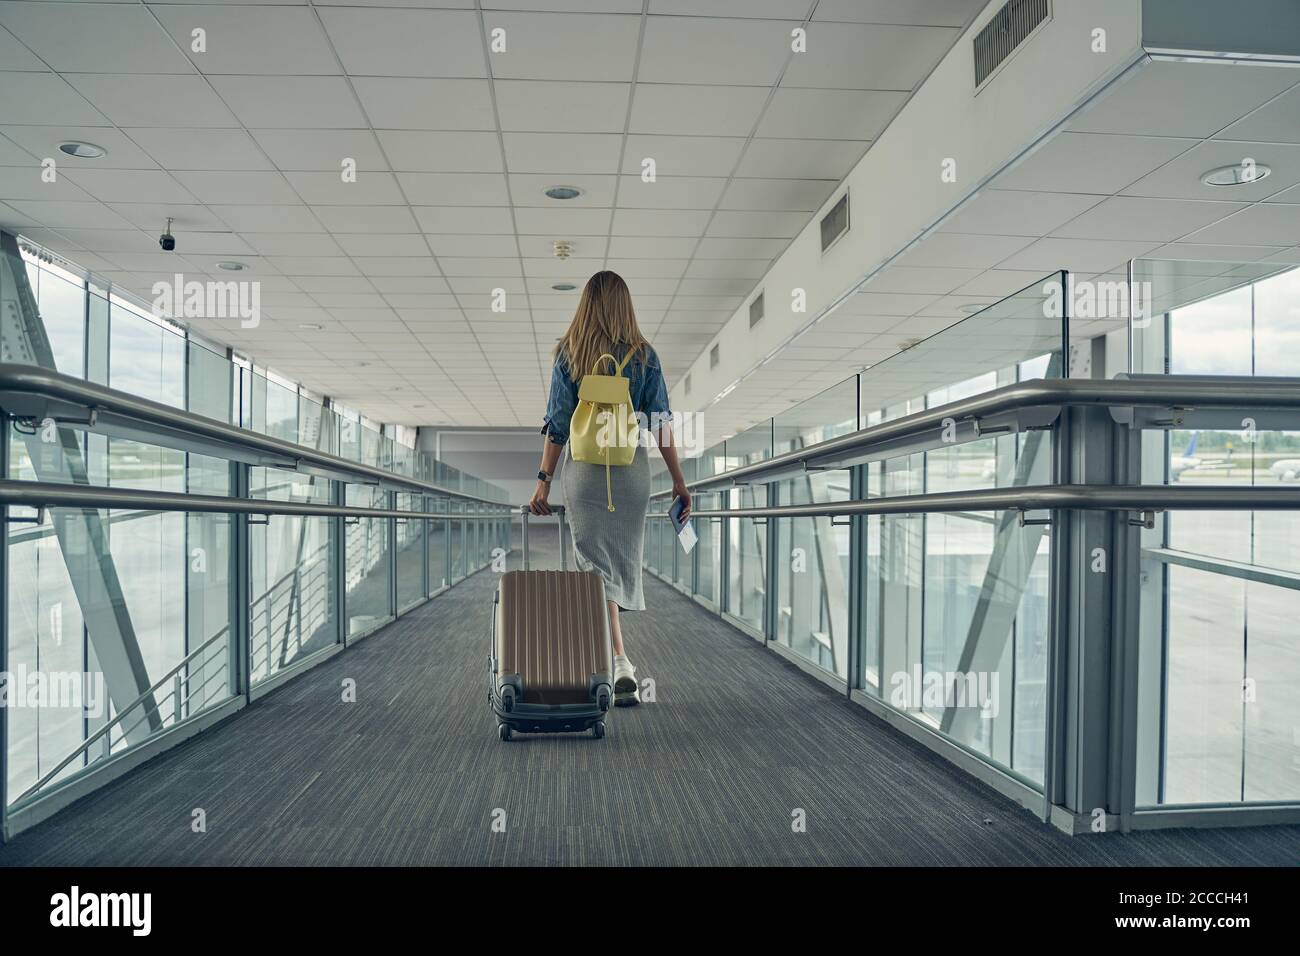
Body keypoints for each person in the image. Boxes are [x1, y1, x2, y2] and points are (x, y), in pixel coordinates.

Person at [530, 270, 691, 706]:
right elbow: (661, 425)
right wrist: (678, 480)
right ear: (626, 304)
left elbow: (558, 426)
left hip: (585, 472)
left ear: (585, 304)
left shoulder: (570, 353)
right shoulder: (645, 357)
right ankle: (618, 657)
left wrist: (543, 482)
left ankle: (619, 659)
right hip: (630, 473)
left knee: (594, 566)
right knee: (615, 565)